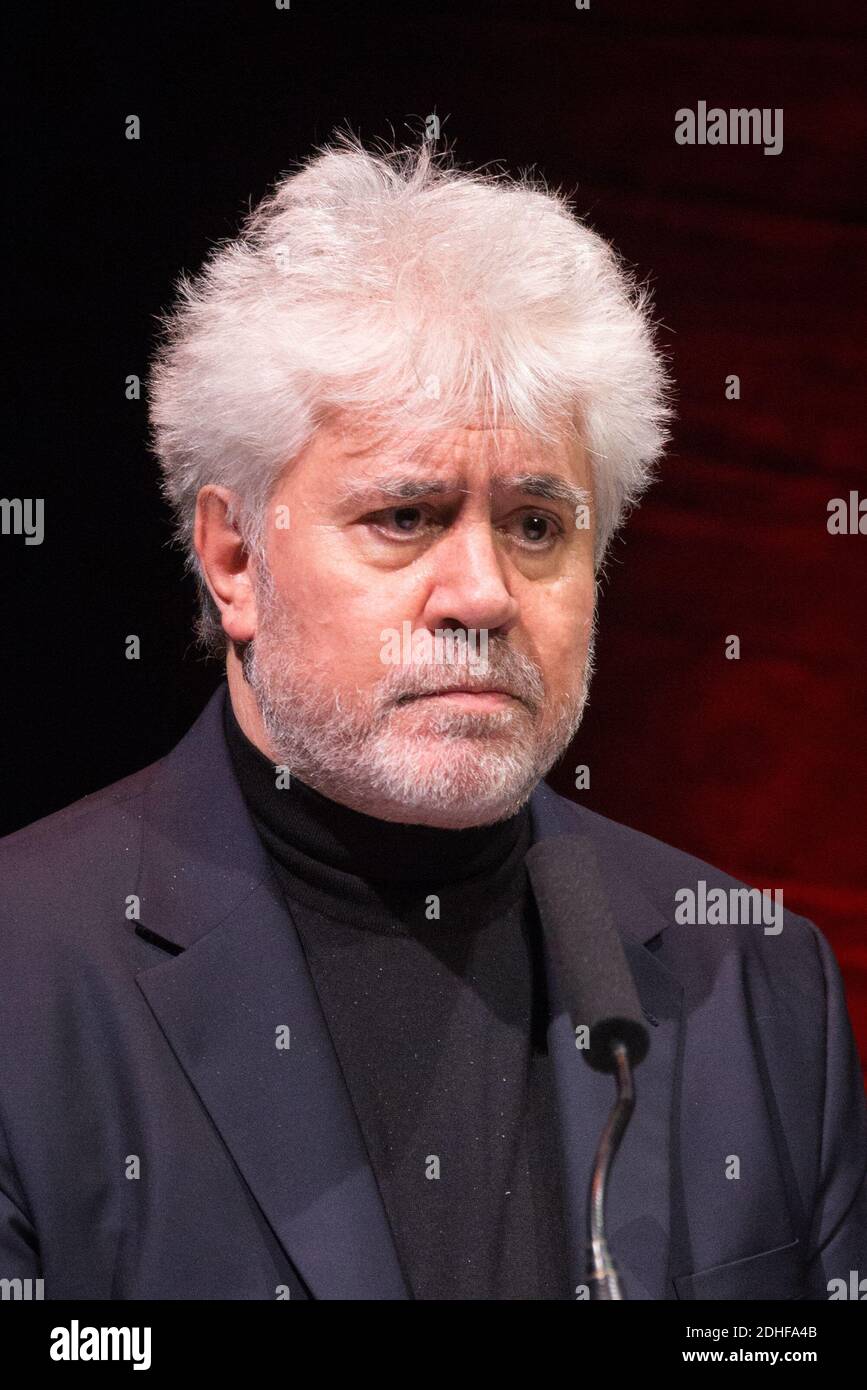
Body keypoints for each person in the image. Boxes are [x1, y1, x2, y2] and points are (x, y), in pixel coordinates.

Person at [0, 134, 864, 1301]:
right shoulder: (26, 972)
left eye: (538, 525)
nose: (485, 594)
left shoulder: (757, 981)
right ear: (235, 556)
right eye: (406, 513)